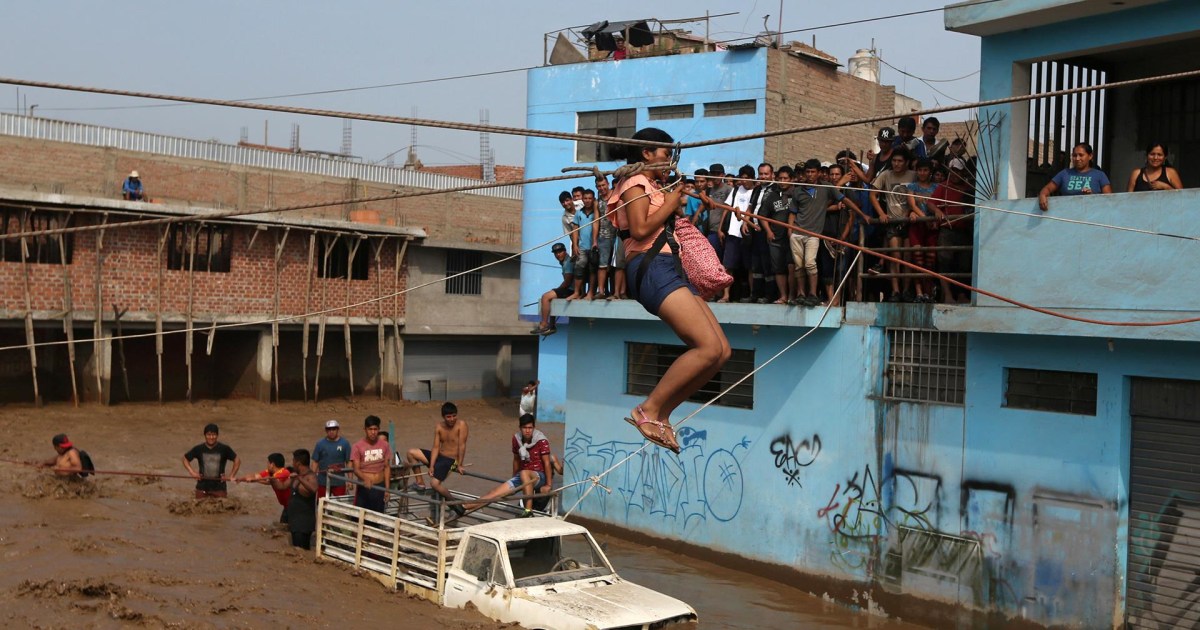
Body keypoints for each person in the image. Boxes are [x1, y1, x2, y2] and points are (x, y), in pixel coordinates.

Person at [608, 127, 731, 453]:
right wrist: (674, 199)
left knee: (721, 351)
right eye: (664, 153)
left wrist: (681, 199)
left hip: (670, 267)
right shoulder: (634, 184)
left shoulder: (655, 186)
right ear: (647, 154)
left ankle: (661, 415)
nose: (668, 160)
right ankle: (647, 409)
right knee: (705, 348)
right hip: (651, 269)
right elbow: (640, 228)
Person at [463, 414, 562, 516]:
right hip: (523, 477)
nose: (527, 431)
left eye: (530, 428)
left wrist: (548, 485)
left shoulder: (541, 440)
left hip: (539, 477)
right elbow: (516, 460)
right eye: (524, 428)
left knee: (524, 473)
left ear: (534, 428)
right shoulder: (516, 439)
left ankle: (528, 510)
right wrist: (513, 479)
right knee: (494, 493)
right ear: (520, 428)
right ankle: (463, 507)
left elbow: (546, 463)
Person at [405, 402, 469, 518]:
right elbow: (435, 447)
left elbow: (462, 446)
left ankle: (455, 505)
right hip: (439, 457)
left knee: (434, 483)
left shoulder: (461, 425)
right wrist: (431, 466)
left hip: (450, 460)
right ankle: (420, 482)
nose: (451, 419)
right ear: (443, 417)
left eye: (454, 416)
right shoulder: (439, 426)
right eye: (448, 417)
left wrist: (460, 464)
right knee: (411, 453)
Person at [870, 147, 917, 301]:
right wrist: (881, 213)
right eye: (894, 161)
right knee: (895, 256)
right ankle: (896, 291)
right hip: (892, 221)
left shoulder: (913, 175)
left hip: (910, 222)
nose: (896, 164)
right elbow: (872, 194)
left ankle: (906, 291)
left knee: (907, 258)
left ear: (906, 162)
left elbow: (920, 193)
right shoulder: (886, 175)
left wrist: (913, 210)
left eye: (900, 161)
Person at [927, 158, 975, 304]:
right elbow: (930, 202)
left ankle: (961, 294)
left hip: (964, 230)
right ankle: (948, 294)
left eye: (959, 171)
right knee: (944, 262)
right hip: (948, 230)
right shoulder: (943, 186)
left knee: (964, 264)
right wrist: (936, 211)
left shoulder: (968, 187)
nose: (956, 174)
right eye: (953, 170)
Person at [790, 159, 836, 307]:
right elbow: (792, 213)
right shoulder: (798, 191)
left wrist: (861, 214)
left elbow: (842, 198)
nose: (810, 175)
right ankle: (801, 294)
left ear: (818, 173)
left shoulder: (826, 188)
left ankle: (813, 294)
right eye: (807, 172)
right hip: (797, 232)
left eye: (812, 172)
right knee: (798, 266)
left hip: (813, 234)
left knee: (810, 263)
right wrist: (789, 231)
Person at [904, 158, 943, 303]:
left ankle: (929, 292)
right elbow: (912, 205)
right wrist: (924, 218)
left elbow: (939, 205)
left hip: (933, 226)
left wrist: (931, 221)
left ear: (930, 172)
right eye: (920, 170)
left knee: (930, 259)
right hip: (918, 225)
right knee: (917, 258)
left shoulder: (937, 187)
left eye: (925, 170)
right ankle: (919, 293)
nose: (922, 173)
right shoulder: (912, 186)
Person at [1038, 142, 1113, 211]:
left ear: (1090, 156)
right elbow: (1047, 188)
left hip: (1092, 215)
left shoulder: (1100, 175)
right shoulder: (1065, 173)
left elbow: (1109, 200)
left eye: (1081, 155)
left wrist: (1092, 196)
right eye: (1074, 155)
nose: (1077, 158)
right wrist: (1042, 195)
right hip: (1068, 214)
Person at [182, 423, 240, 499]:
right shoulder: (199, 449)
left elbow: (237, 460)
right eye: (209, 435)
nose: (211, 437)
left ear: (217, 435)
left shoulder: (224, 449)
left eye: (214, 435)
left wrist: (231, 475)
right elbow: (185, 459)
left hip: (219, 488)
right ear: (205, 435)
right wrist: (192, 472)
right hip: (202, 487)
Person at [350, 415, 391, 513]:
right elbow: (356, 469)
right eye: (370, 429)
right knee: (361, 517)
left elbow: (387, 467)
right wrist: (365, 478)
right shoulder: (357, 446)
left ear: (379, 429)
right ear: (365, 429)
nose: (373, 432)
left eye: (375, 429)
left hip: (379, 486)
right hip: (365, 487)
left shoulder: (385, 445)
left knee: (378, 517)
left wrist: (387, 489)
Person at [531, 243, 574, 336]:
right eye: (556, 253)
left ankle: (544, 324)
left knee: (545, 297)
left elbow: (568, 281)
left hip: (571, 290)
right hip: (569, 288)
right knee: (552, 298)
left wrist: (558, 289)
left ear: (565, 251)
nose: (558, 254)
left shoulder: (568, 262)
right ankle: (552, 326)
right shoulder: (564, 261)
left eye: (560, 252)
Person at [238, 453, 292, 523]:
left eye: (268, 463)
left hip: (294, 506)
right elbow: (256, 475)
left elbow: (269, 481)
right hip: (287, 506)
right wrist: (239, 479)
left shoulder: (284, 472)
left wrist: (255, 480)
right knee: (283, 527)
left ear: (272, 465)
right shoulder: (270, 472)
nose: (267, 465)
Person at [284, 449, 319, 550]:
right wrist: (271, 479)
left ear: (298, 463)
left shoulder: (311, 476)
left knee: (302, 551)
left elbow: (314, 489)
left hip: (304, 524)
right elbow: (282, 486)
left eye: (293, 461)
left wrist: (299, 478)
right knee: (296, 551)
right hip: (294, 522)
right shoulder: (295, 475)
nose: (292, 463)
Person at [568, 189, 599, 300]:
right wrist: (575, 245)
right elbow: (575, 229)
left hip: (593, 246)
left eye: (590, 198)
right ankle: (577, 292)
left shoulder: (596, 213)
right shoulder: (579, 213)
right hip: (582, 246)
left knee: (592, 269)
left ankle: (590, 292)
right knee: (579, 268)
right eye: (585, 198)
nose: (587, 201)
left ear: (593, 199)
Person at [312, 419, 351, 498]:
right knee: (322, 504)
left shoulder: (345, 444)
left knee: (341, 505)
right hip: (323, 481)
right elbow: (315, 461)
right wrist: (313, 478)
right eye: (329, 429)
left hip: (339, 481)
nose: (331, 431)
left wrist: (350, 480)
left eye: (334, 429)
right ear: (326, 430)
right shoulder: (320, 444)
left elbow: (349, 462)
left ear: (337, 429)